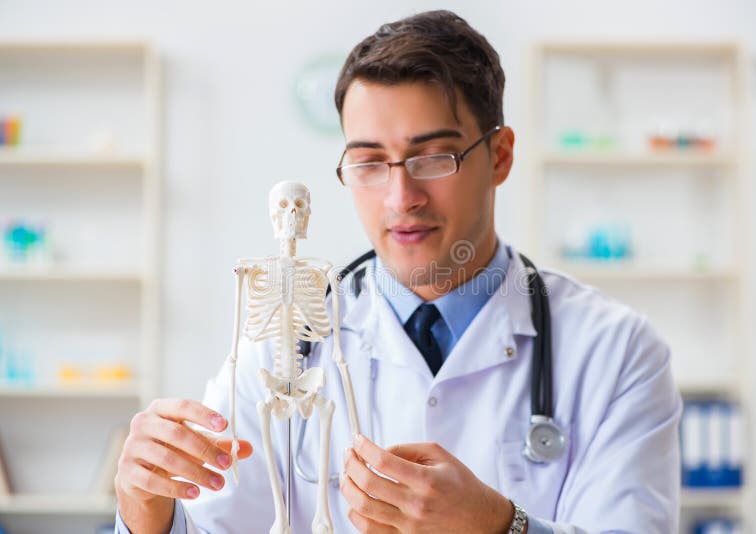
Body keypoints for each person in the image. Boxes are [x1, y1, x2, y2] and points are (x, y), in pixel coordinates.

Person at [115, 9, 681, 534]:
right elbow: (212, 523)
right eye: (368, 163)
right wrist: (145, 510)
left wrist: (501, 526)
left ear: (500, 156)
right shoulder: (289, 341)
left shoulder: (617, 350)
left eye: (434, 157)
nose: (400, 196)